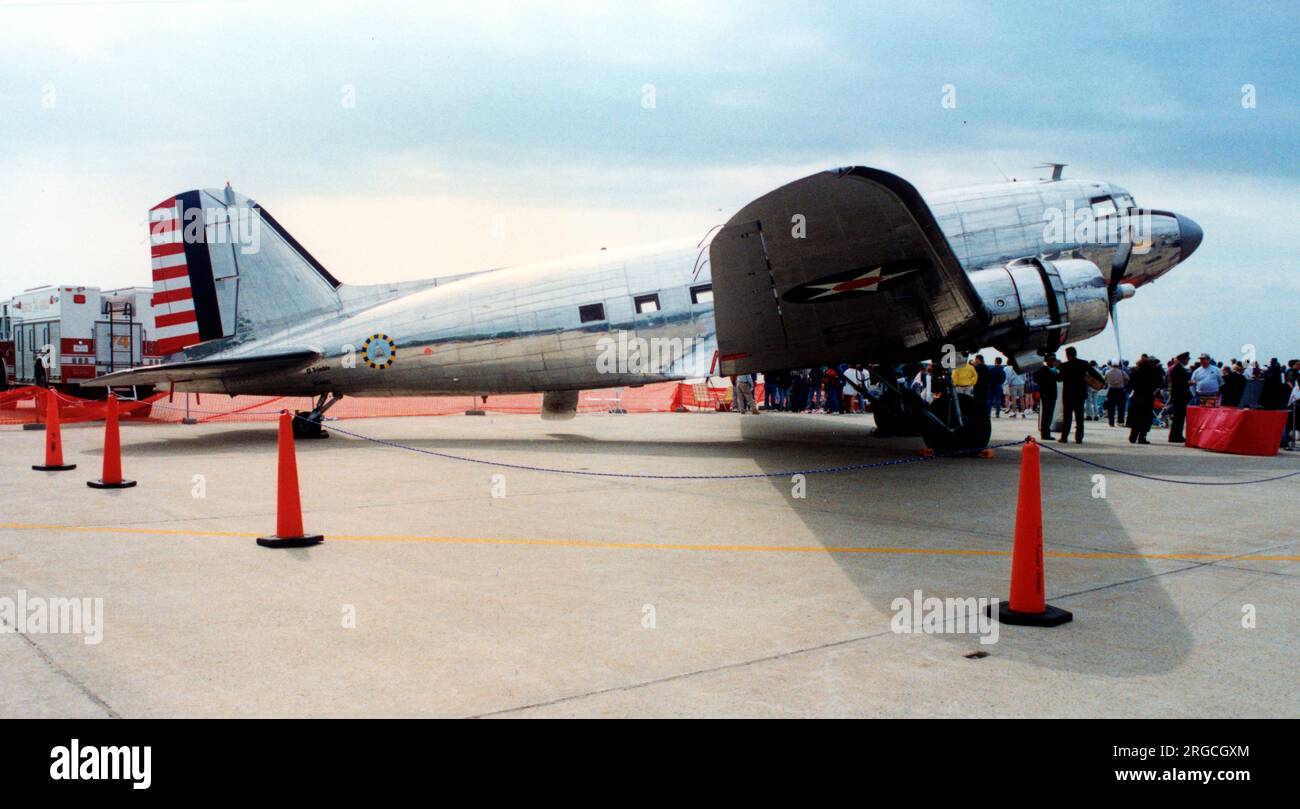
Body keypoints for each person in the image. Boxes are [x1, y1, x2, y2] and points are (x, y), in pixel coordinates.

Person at [1056, 346, 1105, 444]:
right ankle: (1079, 438)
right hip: (1080, 394)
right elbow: (1094, 373)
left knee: (1067, 417)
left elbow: (1059, 379)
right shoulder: (1084, 363)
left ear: (1067, 355)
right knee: (1079, 418)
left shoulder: (1064, 366)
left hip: (1068, 395)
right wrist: (1102, 382)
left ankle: (1064, 437)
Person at [1127, 355, 1162, 444]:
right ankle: (1142, 437)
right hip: (1147, 397)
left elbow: (1130, 384)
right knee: (1145, 418)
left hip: (1136, 397)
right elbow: (1158, 383)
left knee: (1136, 417)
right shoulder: (1152, 373)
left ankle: (1133, 436)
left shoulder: (1134, 372)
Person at [1031, 354, 1060, 441]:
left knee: (1046, 414)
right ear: (1048, 361)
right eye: (1053, 360)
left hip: (1045, 394)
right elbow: (1058, 378)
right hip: (1049, 394)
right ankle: (1046, 433)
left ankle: (1045, 433)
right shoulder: (1046, 371)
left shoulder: (1042, 370)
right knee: (1048, 415)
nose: (1054, 362)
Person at [1167, 351, 1192, 442]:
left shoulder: (1178, 368)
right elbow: (1178, 383)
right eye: (1187, 359)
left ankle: (1176, 435)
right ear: (1183, 360)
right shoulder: (1178, 369)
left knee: (1179, 417)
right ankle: (1175, 436)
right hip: (1179, 396)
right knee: (1179, 417)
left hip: (1178, 396)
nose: (1188, 361)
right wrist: (1188, 383)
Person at [1104, 359, 1129, 426]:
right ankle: (1120, 421)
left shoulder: (1107, 372)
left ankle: (1111, 422)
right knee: (1121, 406)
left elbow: (1105, 381)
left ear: (1112, 365)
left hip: (1111, 390)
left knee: (1111, 407)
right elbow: (1127, 379)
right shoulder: (1122, 372)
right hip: (1120, 390)